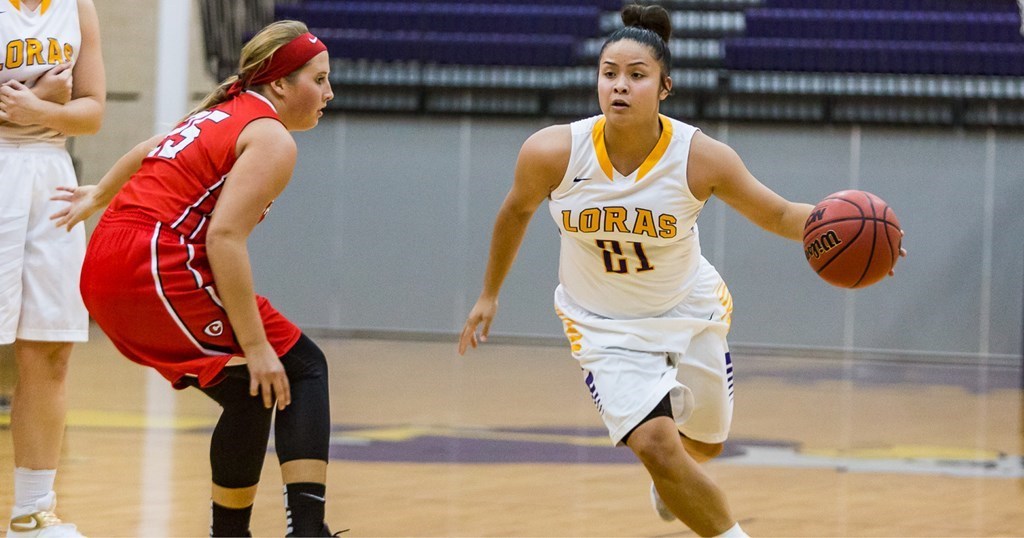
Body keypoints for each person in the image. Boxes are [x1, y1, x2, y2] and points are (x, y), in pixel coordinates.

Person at [459, 4, 902, 537]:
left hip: (689, 310)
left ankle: (671, 478)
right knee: (654, 444)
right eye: (609, 74)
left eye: (636, 76)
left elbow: (781, 214)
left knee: (706, 444)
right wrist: (490, 293)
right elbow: (515, 212)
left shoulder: (700, 158)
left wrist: (867, 236)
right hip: (604, 326)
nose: (619, 86)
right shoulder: (553, 152)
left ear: (665, 87)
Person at [51, 20, 337, 537]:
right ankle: (308, 530)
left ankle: (231, 533)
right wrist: (256, 345)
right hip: (153, 266)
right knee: (302, 367)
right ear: (279, 84)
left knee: (251, 395)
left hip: (109, 259)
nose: (329, 92)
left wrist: (100, 195)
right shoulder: (271, 137)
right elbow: (223, 239)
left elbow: (148, 147)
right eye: (318, 79)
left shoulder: (219, 115)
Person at [0, 0, 105, 536]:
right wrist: (41, 98)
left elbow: (92, 112)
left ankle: (33, 512)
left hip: (51, 174)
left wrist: (41, 113)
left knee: (50, 347)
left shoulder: (76, 5)